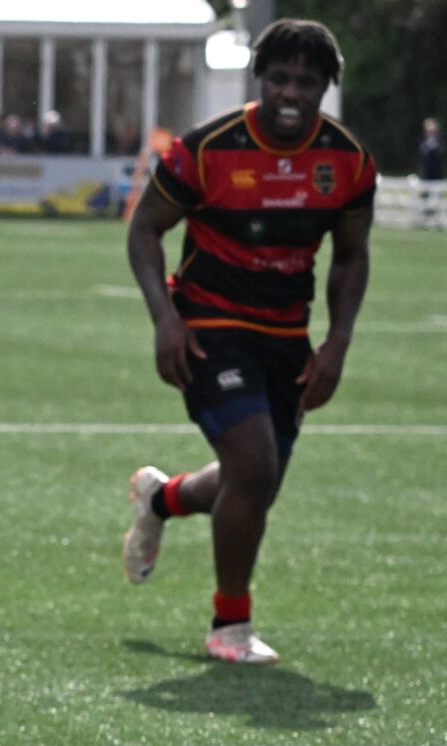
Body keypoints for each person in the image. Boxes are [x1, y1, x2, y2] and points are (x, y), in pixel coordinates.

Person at [122, 19, 375, 664]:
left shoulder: (346, 160)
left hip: (287, 337)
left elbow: (350, 259)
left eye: (307, 81)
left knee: (253, 483)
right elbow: (145, 231)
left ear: (325, 87)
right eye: (280, 78)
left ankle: (162, 498)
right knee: (254, 468)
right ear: (260, 78)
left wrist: (336, 347)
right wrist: (165, 319)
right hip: (210, 328)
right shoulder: (206, 149)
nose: (291, 92)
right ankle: (229, 626)